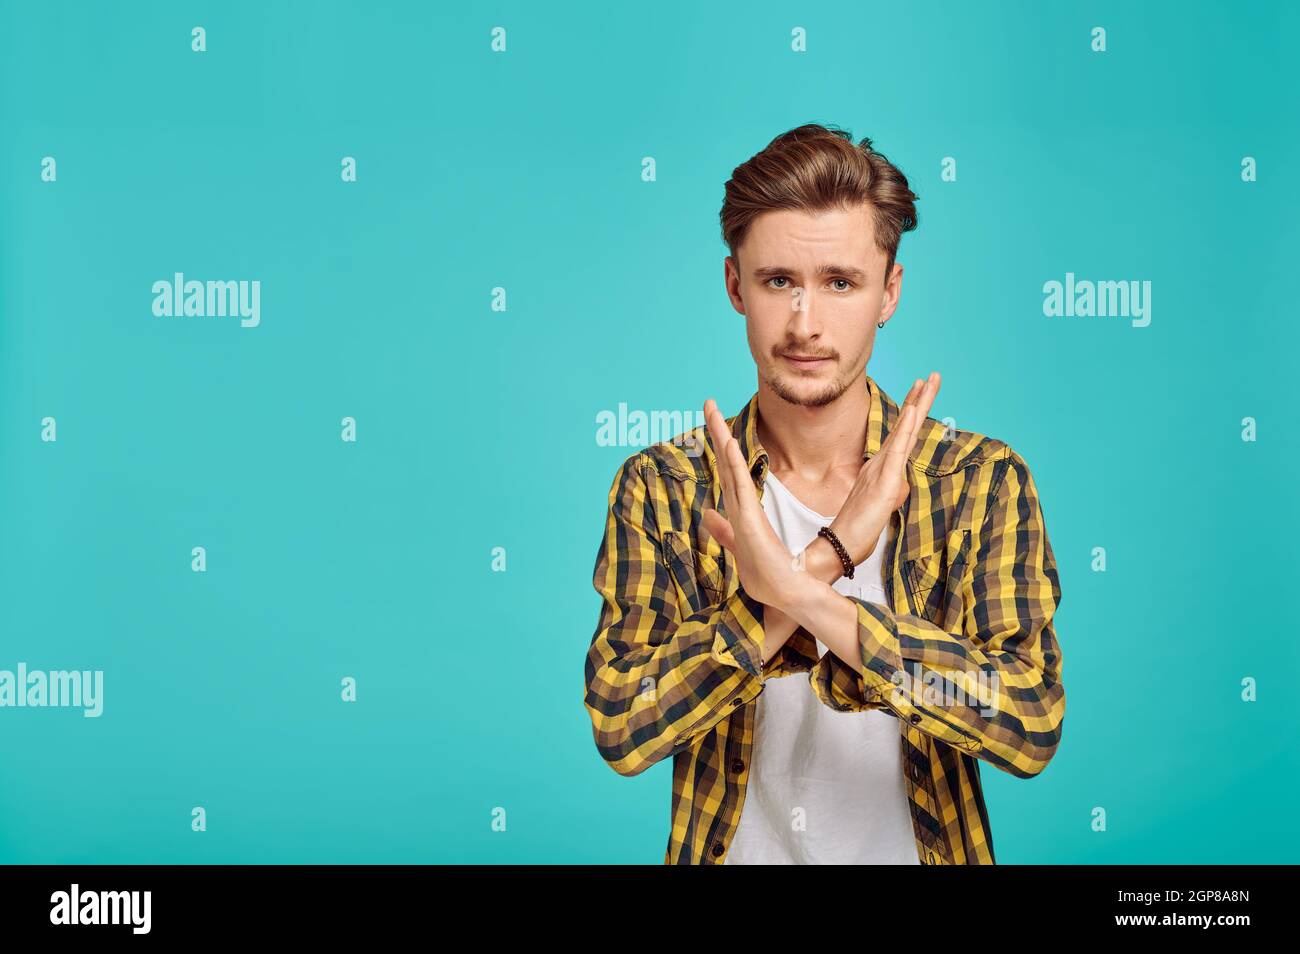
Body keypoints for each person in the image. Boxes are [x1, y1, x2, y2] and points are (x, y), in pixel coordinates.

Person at [583, 123, 1065, 864]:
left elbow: (1027, 726)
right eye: (780, 281)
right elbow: (623, 726)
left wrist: (808, 596)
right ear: (734, 285)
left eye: (840, 282)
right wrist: (829, 557)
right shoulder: (663, 489)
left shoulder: (979, 482)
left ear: (888, 292)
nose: (805, 325)